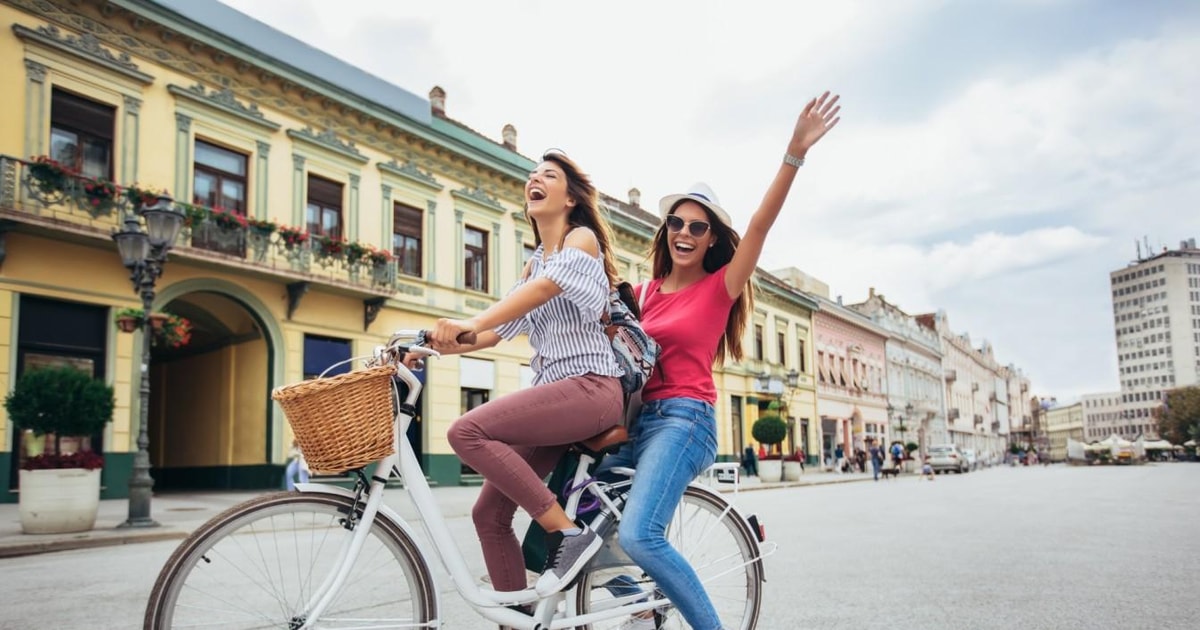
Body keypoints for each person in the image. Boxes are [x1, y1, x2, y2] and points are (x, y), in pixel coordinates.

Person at [597, 92, 841, 629]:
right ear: (666, 233)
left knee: (639, 533)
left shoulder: (719, 288)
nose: (684, 233)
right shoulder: (646, 292)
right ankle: (645, 601)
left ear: (711, 240)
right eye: (677, 224)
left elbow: (758, 227)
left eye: (697, 227)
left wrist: (793, 154)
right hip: (636, 422)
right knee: (578, 524)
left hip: (685, 420)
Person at [423, 149, 625, 600]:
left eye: (548, 176)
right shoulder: (535, 261)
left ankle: (568, 535)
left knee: (466, 431)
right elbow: (497, 332)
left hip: (592, 388)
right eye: (531, 176)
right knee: (488, 515)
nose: (534, 180)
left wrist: (470, 323)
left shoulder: (581, 240)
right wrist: (430, 345)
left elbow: (544, 290)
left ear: (570, 197)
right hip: (556, 398)